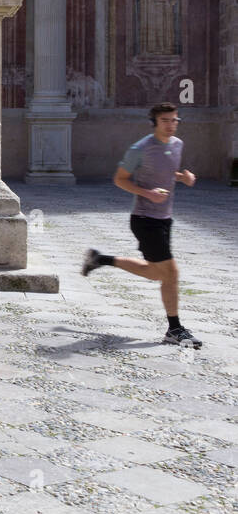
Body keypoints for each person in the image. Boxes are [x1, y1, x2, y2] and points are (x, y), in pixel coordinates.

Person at [82, 102, 200, 348]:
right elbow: (120, 179)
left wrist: (183, 177)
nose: (171, 125)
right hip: (145, 219)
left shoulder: (177, 145)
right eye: (166, 120)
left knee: (155, 272)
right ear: (155, 123)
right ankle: (174, 329)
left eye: (175, 120)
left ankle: (100, 259)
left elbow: (168, 171)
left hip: (165, 219)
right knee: (171, 273)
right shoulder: (140, 148)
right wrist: (147, 193)